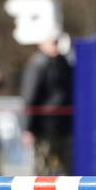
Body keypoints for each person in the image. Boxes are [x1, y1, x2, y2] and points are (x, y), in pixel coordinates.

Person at [21, 37, 73, 175]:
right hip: (45, 127)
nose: (56, 46)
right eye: (52, 42)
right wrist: (28, 128)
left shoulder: (64, 63)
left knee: (65, 167)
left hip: (64, 126)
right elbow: (30, 96)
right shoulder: (38, 64)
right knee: (44, 167)